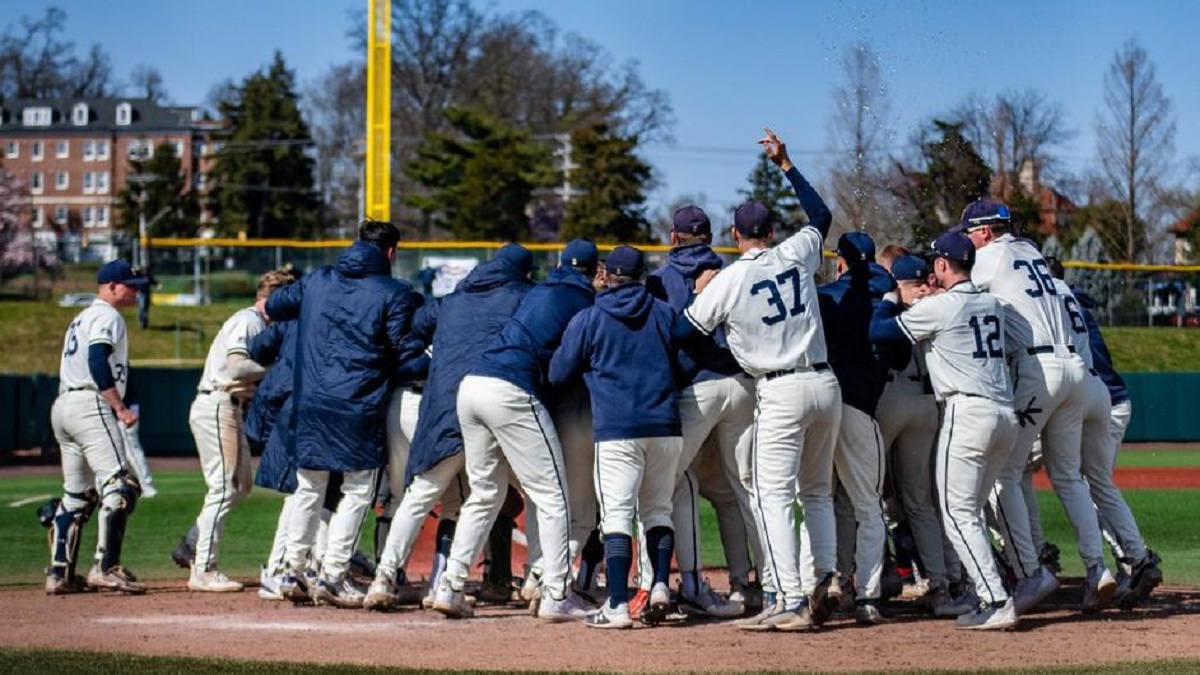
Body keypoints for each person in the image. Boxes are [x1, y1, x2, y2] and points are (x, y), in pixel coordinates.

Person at [681, 128, 840, 632]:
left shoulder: (728, 277)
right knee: (815, 491)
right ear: (770, 231)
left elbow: (689, 330)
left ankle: (790, 598)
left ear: (735, 235)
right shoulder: (796, 252)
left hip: (778, 388)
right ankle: (828, 578)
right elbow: (820, 217)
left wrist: (706, 299)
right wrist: (786, 164)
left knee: (771, 495)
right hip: (824, 383)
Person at [431, 239, 601, 622]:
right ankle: (557, 593)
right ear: (593, 271)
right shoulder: (582, 300)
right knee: (553, 497)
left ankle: (450, 585)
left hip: (473, 386)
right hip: (512, 390)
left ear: (559, 262)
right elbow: (564, 367)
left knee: (485, 494)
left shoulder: (542, 289)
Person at [959, 199, 1115, 612]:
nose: (969, 242)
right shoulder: (1029, 251)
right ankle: (1098, 568)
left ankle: (1031, 573)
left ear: (986, 232)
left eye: (971, 233)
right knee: (1068, 476)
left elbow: (959, 295)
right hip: (1075, 369)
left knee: (1003, 474)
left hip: (1038, 369)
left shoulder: (989, 257)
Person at [369, 244, 535, 608]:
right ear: (523, 273)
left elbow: (414, 328)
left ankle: (383, 579)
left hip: (442, 405)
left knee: (419, 494)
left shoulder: (454, 300)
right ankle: (535, 582)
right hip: (494, 408)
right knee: (532, 493)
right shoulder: (525, 296)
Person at [869, 231, 1019, 631]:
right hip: (1005, 413)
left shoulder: (944, 306)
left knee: (956, 512)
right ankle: (976, 591)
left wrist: (888, 297)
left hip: (966, 410)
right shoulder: (992, 302)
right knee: (964, 510)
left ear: (941, 265)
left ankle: (996, 598)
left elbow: (882, 332)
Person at [266, 220, 419, 608]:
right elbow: (405, 352)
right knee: (357, 488)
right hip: (357, 402)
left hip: (310, 402)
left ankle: (292, 569)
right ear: (390, 253)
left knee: (309, 486)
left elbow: (274, 305)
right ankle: (332, 574)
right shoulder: (393, 292)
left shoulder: (317, 279)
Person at [549, 245, 684, 629]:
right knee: (658, 511)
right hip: (665, 425)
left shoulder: (590, 317)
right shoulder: (663, 312)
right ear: (643, 275)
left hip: (617, 429)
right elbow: (684, 361)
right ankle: (659, 585)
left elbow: (559, 372)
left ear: (607, 275)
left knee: (617, 517)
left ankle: (619, 605)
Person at [643, 205, 757, 618]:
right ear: (711, 236)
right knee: (739, 491)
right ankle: (755, 584)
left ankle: (658, 584)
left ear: (674, 237)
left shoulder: (661, 280)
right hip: (744, 385)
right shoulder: (733, 273)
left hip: (696, 390)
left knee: (663, 487)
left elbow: (667, 335)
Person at [1045, 258, 1162, 609]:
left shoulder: (1048, 305)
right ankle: (1135, 560)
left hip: (1090, 399)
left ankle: (1129, 563)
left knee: (1084, 486)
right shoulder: (1072, 300)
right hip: (1104, 398)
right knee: (1097, 484)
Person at [181, 270, 293, 592]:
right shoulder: (249, 321)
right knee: (224, 487)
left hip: (230, 407)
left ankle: (192, 544)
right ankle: (203, 569)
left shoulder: (259, 323)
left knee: (240, 485)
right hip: (219, 404)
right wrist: (279, 371)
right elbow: (236, 367)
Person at [46, 259, 150, 595]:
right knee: (121, 486)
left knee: (77, 496)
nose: (136, 291)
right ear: (110, 287)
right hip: (91, 404)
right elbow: (97, 359)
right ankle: (105, 568)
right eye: (130, 285)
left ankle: (58, 573)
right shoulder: (107, 315)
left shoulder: (81, 317)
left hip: (64, 405)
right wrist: (118, 406)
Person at [874, 254, 970, 616]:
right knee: (921, 500)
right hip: (928, 402)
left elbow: (878, 332)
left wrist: (889, 298)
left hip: (890, 396)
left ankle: (870, 586)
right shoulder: (939, 304)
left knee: (866, 496)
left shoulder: (892, 307)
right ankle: (942, 585)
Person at [813, 231, 899, 625]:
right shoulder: (887, 294)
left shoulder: (826, 296)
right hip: (860, 407)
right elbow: (897, 354)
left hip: (821, 403)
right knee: (868, 506)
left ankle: (815, 584)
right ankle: (866, 595)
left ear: (842, 261)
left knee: (818, 499)